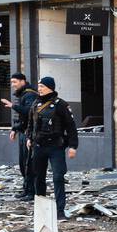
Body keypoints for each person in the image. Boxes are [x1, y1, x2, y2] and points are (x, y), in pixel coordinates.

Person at [26, 76, 78, 216]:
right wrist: (29, 138)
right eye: (39, 86)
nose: (39, 89)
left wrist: (73, 146)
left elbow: (71, 127)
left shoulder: (61, 105)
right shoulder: (35, 104)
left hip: (56, 147)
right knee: (38, 177)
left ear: (50, 87)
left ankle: (60, 210)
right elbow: (30, 124)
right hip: (38, 147)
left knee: (58, 177)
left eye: (42, 86)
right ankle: (42, 210)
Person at [2, 73, 39, 196]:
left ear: (23, 81)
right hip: (23, 133)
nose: (13, 85)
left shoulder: (30, 94)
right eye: (12, 82)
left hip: (29, 135)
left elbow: (29, 112)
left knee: (29, 164)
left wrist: (13, 106)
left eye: (15, 82)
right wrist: (15, 128)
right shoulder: (24, 94)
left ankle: (31, 192)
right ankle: (26, 189)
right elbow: (24, 119)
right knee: (23, 164)